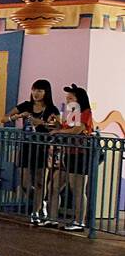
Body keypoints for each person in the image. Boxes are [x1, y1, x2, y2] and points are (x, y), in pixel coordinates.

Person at [2, 79, 60, 224]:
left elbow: (58, 127)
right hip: (26, 146)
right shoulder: (25, 106)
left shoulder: (52, 109)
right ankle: (41, 201)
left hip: (42, 147)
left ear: (46, 92)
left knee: (41, 180)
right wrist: (17, 116)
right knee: (24, 182)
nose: (36, 93)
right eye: (34, 90)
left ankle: (36, 211)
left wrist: (41, 123)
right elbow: (4, 118)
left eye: (40, 91)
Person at [51, 84, 95, 232]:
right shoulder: (71, 114)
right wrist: (57, 126)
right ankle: (51, 217)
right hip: (67, 153)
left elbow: (77, 130)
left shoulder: (86, 112)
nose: (68, 101)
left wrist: (60, 131)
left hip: (80, 154)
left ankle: (79, 221)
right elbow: (67, 128)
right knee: (55, 185)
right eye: (67, 98)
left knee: (77, 188)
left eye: (71, 98)